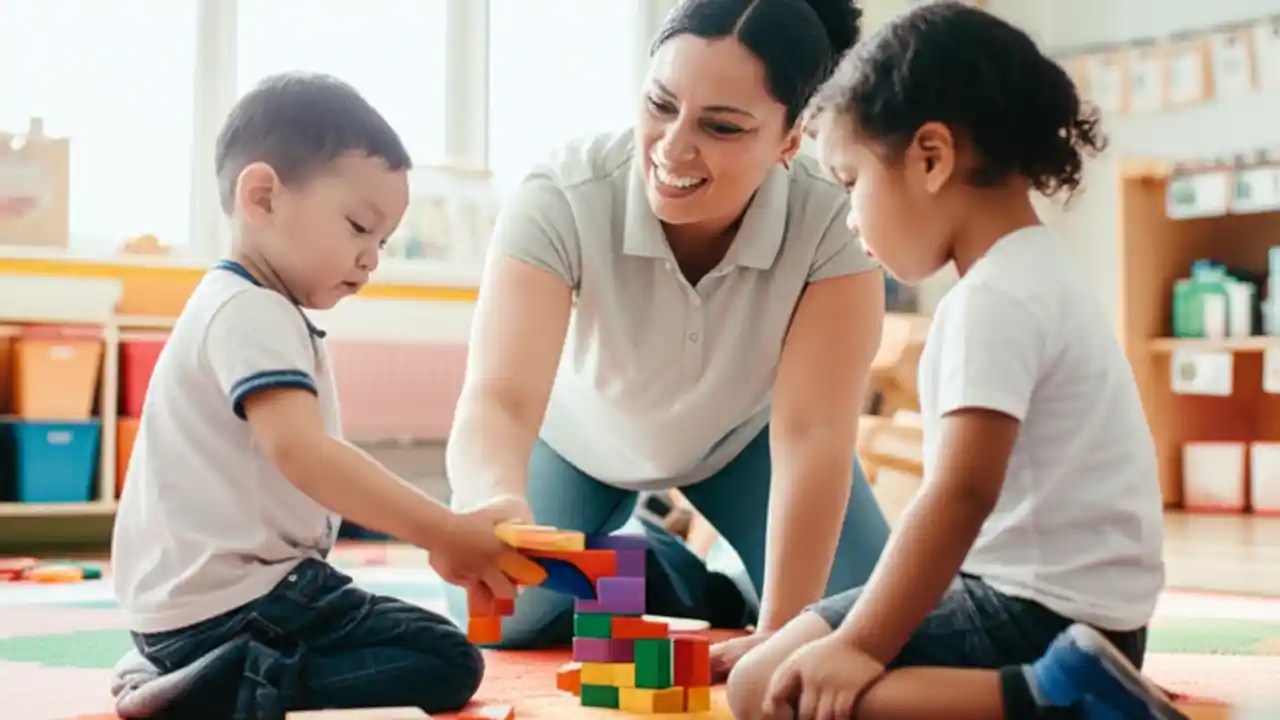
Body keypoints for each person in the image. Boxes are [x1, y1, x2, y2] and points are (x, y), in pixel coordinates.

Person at [725, 4, 1183, 719]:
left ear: (931, 157)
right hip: (1095, 618)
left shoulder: (992, 300)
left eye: (851, 184)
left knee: (767, 691)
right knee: (778, 658)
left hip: (1036, 615)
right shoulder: (1038, 270)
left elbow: (960, 493)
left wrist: (862, 646)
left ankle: (1057, 702)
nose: (850, 218)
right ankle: (1065, 690)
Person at [444, 0, 891, 671]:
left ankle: (707, 583)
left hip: (746, 443)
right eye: (660, 104)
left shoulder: (834, 215)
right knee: (500, 616)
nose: (675, 147)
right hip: (578, 443)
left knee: (856, 618)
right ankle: (644, 558)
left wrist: (776, 632)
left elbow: (814, 431)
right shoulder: (562, 194)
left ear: (791, 140)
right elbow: (498, 397)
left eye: (722, 127)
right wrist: (493, 504)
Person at [110, 72, 523, 718]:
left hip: (177, 615)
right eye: (360, 227)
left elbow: (290, 482)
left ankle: (180, 669)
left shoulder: (230, 305)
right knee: (446, 659)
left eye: (382, 241)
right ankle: (228, 686)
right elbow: (304, 455)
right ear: (263, 196)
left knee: (400, 638)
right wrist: (442, 530)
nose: (372, 258)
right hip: (242, 602)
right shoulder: (254, 312)